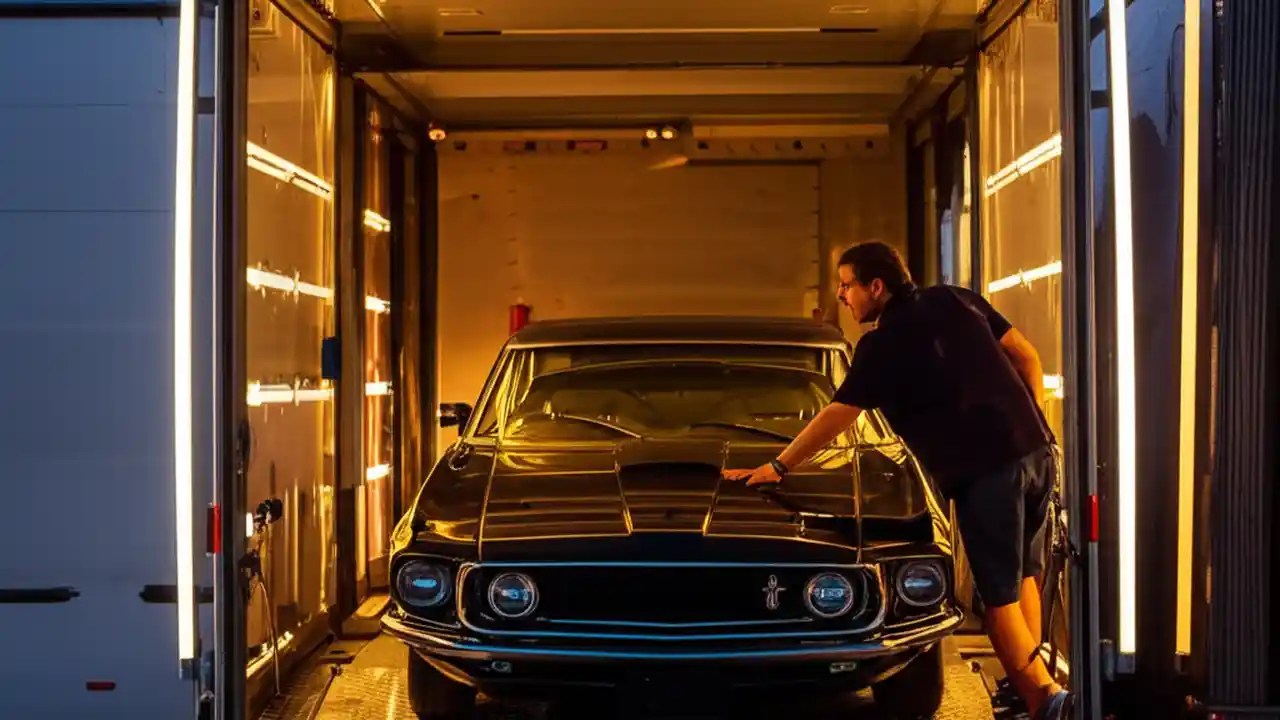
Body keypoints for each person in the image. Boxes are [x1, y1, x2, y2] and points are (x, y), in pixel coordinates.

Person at [723, 241, 1073, 719]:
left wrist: (779, 466)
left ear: (876, 286)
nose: (843, 297)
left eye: (847, 285)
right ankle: (1034, 687)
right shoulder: (956, 298)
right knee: (1025, 576)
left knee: (997, 601)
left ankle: (1047, 704)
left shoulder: (883, 344)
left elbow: (838, 415)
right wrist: (1031, 424)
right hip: (1035, 453)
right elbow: (1026, 356)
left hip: (987, 472)